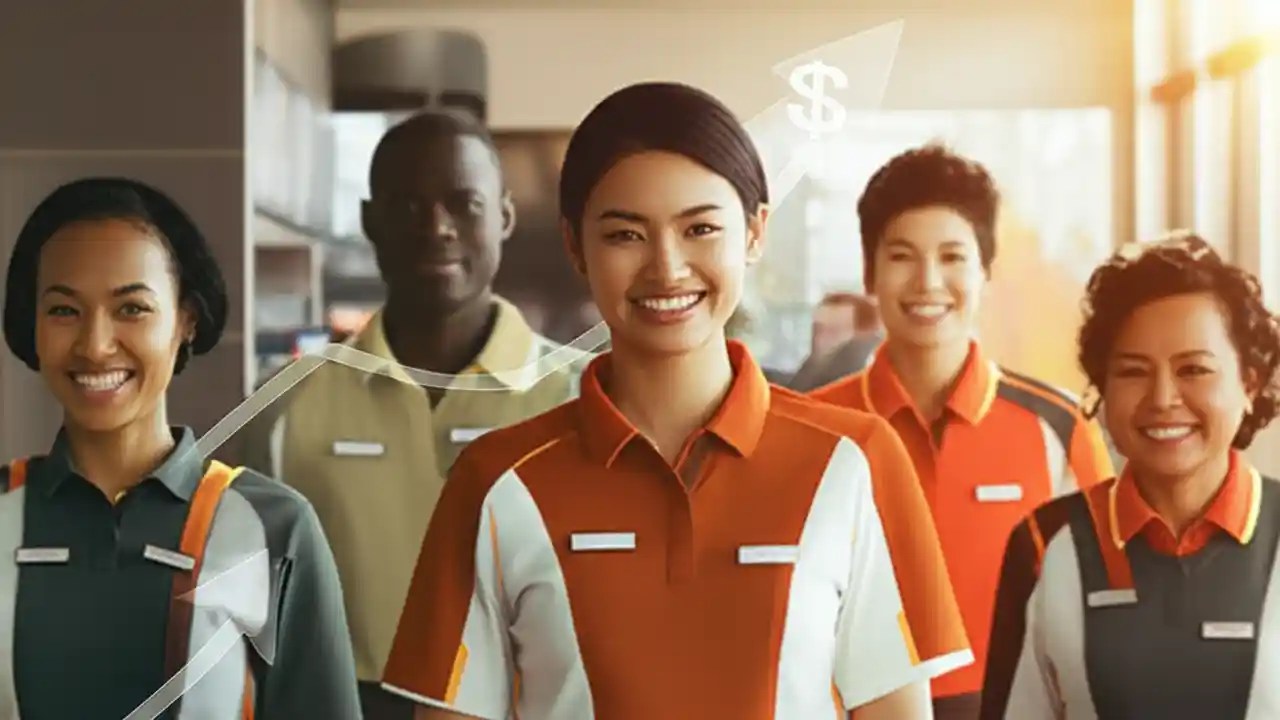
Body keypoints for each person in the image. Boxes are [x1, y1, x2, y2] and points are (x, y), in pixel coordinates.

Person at [380, 81, 970, 720]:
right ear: (575, 245)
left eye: (700, 229)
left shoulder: (858, 462)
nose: (667, 267)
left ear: (754, 232)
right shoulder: (493, 482)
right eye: (626, 235)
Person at [238, 109, 586, 720]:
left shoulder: (579, 397)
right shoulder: (284, 404)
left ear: (503, 216)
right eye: (406, 206)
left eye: (463, 204)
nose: (437, 229)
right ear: (371, 220)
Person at [0, 177, 361, 719]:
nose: (96, 345)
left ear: (185, 321)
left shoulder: (274, 529)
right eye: (63, 311)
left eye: (132, 309)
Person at [809, 144, 1114, 718]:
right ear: (869, 272)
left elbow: (1103, 599)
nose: (928, 281)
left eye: (952, 256)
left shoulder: (1059, 427)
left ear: (985, 271)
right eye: (901, 256)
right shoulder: (812, 427)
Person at [981, 233, 1280, 719]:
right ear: (1103, 388)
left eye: (1194, 370)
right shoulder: (1044, 544)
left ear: (1248, 383)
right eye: (1134, 371)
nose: (1163, 398)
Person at [790, 292, 883, 391]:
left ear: (863, 336)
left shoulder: (864, 387)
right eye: (818, 329)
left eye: (833, 331)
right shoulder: (808, 373)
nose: (820, 339)